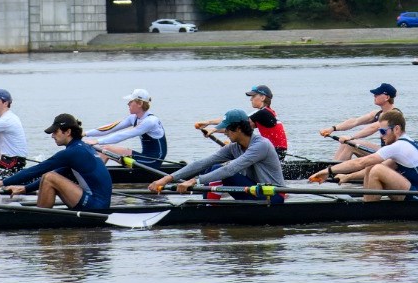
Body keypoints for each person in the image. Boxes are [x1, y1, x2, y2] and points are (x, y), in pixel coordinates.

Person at [0, 113, 114, 212]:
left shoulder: (73, 152)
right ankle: (43, 213)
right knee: (51, 176)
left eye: (55, 132)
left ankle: (40, 218)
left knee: (49, 177)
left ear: (68, 132)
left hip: (95, 205)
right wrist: (25, 189)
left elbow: (37, 170)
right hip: (98, 203)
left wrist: (0, 183)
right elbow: (60, 172)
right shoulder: (82, 148)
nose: (52, 136)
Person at [151, 109, 285, 201]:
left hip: (273, 195)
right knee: (211, 167)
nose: (225, 132)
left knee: (219, 170)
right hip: (254, 191)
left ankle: (208, 209)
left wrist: (194, 181)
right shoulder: (234, 147)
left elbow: (230, 169)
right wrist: (166, 179)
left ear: (239, 129)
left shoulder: (261, 145)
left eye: (227, 129)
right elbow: (202, 163)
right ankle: (208, 205)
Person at [307, 109, 418, 200]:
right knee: (372, 166)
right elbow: (382, 166)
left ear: (396, 129)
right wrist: (348, 177)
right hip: (417, 192)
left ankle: (369, 209)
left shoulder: (399, 146)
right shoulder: (409, 142)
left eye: (383, 131)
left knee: (376, 169)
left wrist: (328, 171)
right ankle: (367, 203)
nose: (380, 136)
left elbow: (359, 162)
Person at [86, 89, 169, 167]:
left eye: (130, 101)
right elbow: (110, 128)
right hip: (144, 157)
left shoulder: (150, 121)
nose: (128, 104)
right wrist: (84, 133)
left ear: (140, 104)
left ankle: (93, 175)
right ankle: (94, 172)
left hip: (153, 162)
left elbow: (124, 135)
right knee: (105, 149)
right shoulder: (133, 118)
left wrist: (97, 141)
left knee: (106, 150)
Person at [199, 84, 288, 156]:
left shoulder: (263, 113)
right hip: (276, 151)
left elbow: (235, 121)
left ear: (262, 98)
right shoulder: (265, 113)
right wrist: (209, 125)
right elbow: (237, 127)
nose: (251, 99)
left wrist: (212, 128)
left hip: (275, 152)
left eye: (253, 96)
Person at [321, 82, 399, 160]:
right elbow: (355, 121)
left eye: (377, 94)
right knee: (345, 143)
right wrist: (332, 128)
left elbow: (373, 128)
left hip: (393, 154)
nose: (374, 96)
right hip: (384, 150)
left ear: (387, 97)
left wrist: (351, 137)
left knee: (350, 144)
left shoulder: (394, 114)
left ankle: (336, 167)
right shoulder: (378, 113)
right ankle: (331, 165)